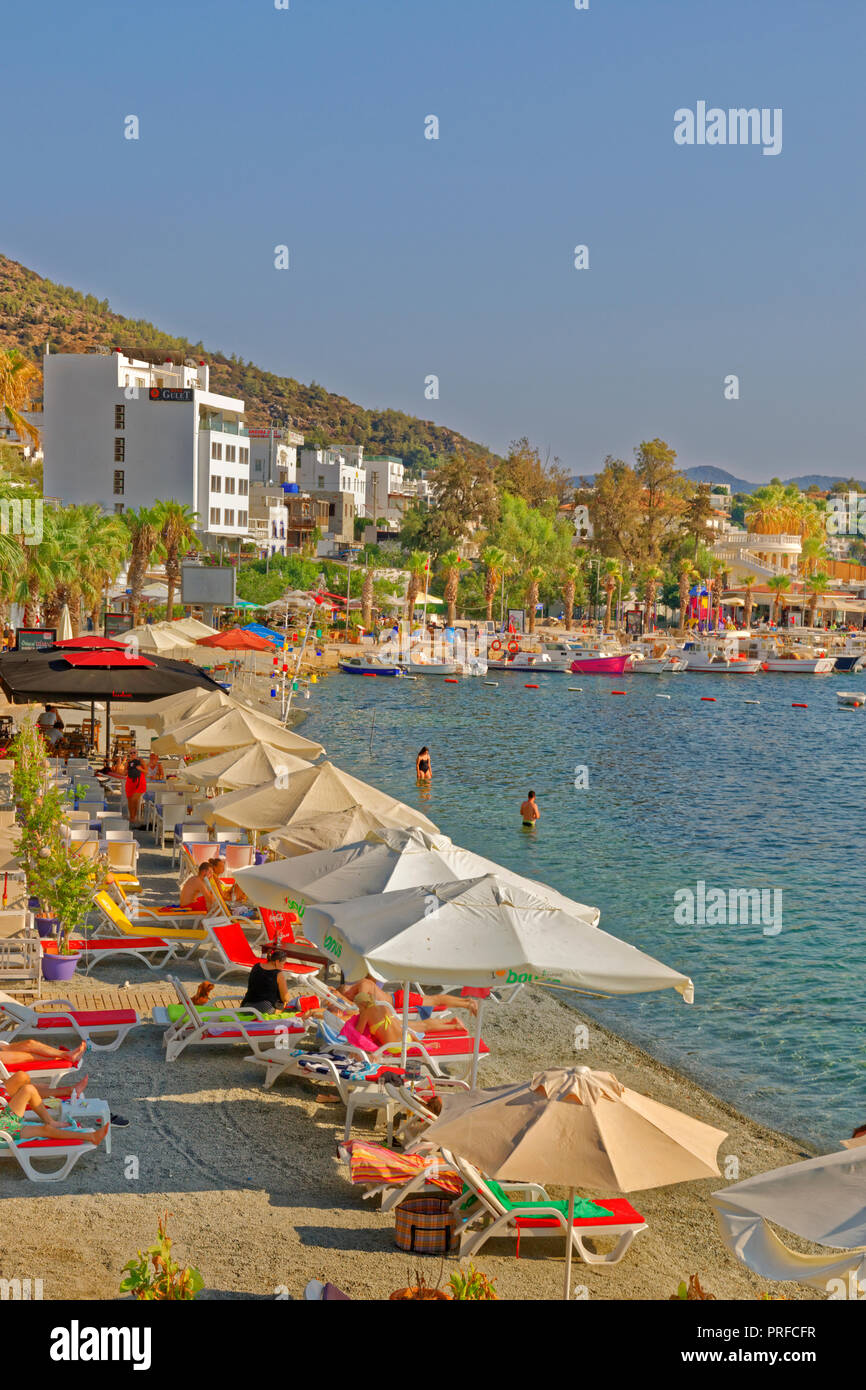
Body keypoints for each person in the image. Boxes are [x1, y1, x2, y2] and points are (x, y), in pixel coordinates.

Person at [0, 1072, 109, 1149]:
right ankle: (92, 1137)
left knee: (29, 1089)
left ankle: (51, 1121)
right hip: (3, 1128)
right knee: (45, 1130)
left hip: (3, 1117)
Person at [340, 975, 478, 1019]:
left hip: (398, 1000)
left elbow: (361, 1006)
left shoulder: (363, 985)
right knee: (435, 999)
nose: (350, 997)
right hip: (397, 999)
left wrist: (342, 999)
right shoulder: (363, 985)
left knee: (435, 1000)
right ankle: (466, 1002)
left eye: (347, 995)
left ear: (348, 991)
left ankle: (467, 1003)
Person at [240, 946, 299, 1013]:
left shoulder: (256, 966)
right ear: (277, 962)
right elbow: (285, 998)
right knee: (294, 1009)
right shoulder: (278, 974)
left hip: (246, 1006)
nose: (283, 967)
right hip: (264, 1009)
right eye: (283, 964)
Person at [124, 755, 146, 828]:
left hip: (140, 782)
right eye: (131, 753)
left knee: (135, 799)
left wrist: (140, 769)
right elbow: (124, 773)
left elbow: (146, 772)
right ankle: (132, 816)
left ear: (136, 753)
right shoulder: (128, 762)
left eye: (134, 752)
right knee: (130, 800)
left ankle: (134, 816)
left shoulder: (141, 761)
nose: (132, 754)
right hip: (130, 783)